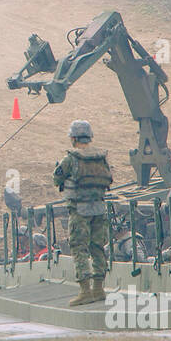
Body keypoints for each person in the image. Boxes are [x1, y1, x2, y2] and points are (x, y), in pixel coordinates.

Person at [53, 119, 113, 307]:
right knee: (97, 247)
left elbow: (57, 178)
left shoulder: (71, 158)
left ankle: (85, 291)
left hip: (79, 210)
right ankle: (98, 288)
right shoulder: (100, 157)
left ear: (73, 138)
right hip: (99, 208)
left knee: (79, 248)